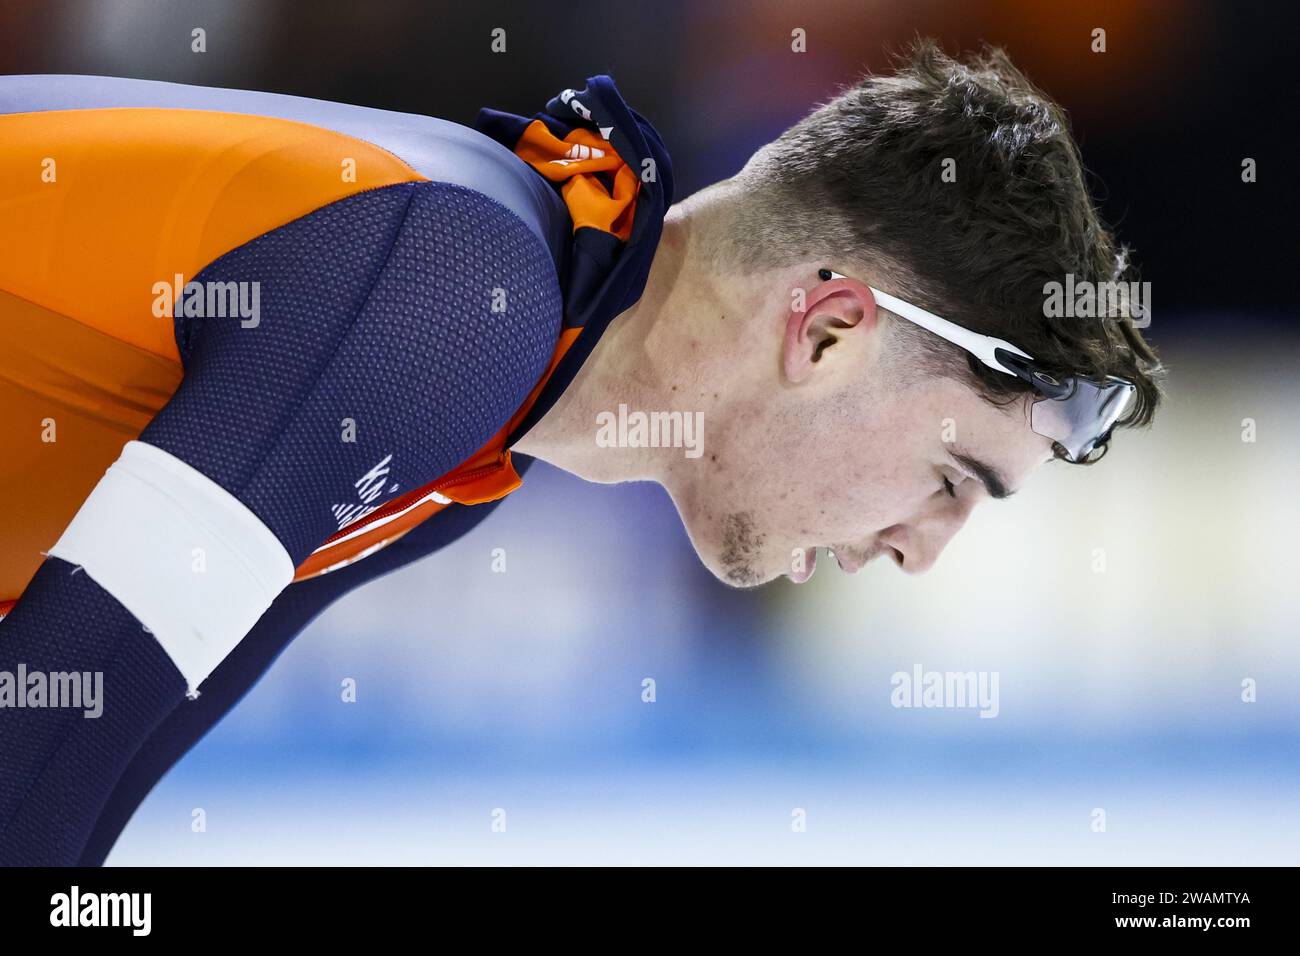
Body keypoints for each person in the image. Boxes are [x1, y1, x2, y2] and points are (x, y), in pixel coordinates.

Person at [0, 39, 1161, 866]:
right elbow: (31, 767)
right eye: (953, 479)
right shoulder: (452, 289)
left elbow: (69, 808)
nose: (922, 551)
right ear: (830, 330)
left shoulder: (469, 452)